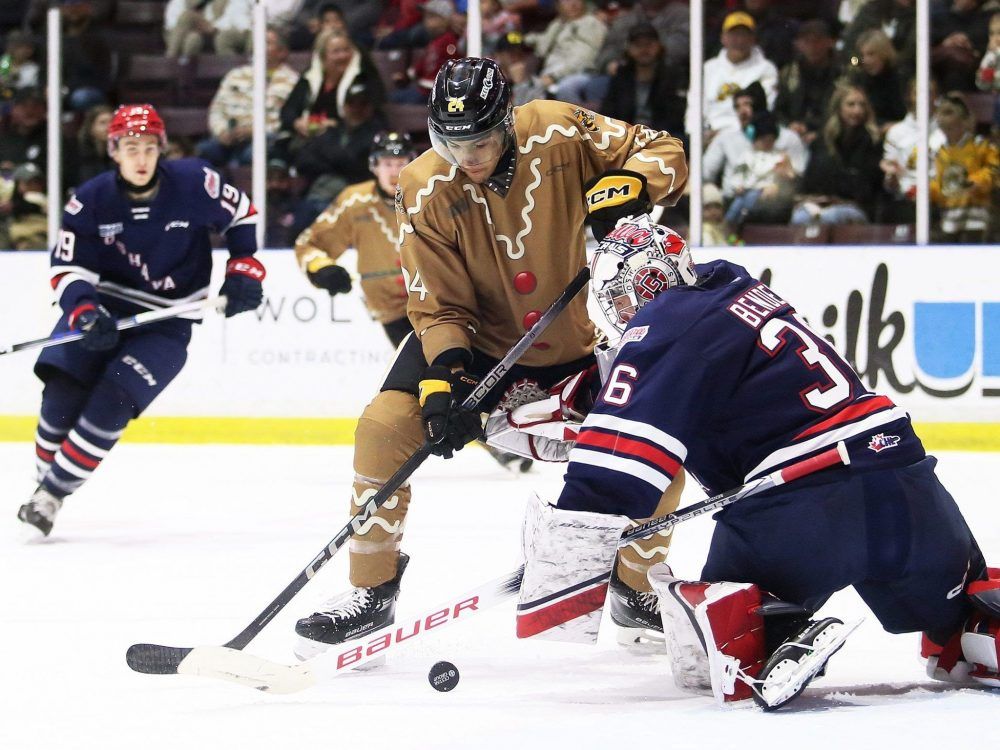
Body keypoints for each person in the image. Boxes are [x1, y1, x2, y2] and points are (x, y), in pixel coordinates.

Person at [292, 57, 689, 658]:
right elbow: (436, 305)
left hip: (583, 346)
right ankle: (370, 594)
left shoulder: (558, 127)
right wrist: (447, 380)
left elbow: (661, 148)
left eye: (479, 140)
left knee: (659, 442)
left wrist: (633, 183)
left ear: (506, 121)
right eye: (452, 142)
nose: (467, 156)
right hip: (482, 350)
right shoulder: (423, 184)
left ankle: (636, 588)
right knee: (383, 428)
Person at [515, 213, 994, 710]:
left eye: (618, 297)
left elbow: (623, 448)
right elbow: (688, 380)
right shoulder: (736, 289)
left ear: (647, 284)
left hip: (805, 504)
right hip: (906, 482)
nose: (617, 311)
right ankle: (976, 626)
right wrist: (589, 399)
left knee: (704, 642)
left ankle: (768, 629)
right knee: (963, 613)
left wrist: (572, 542)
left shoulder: (668, 319)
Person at [15, 104, 265, 539]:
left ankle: (49, 496)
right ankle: (45, 479)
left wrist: (243, 269)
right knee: (60, 396)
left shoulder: (194, 183)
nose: (141, 158)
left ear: (161, 149)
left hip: (169, 320)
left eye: (149, 147)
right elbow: (67, 269)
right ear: (113, 150)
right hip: (104, 307)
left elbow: (242, 214)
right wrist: (85, 312)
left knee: (111, 404)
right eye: (131, 148)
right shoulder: (89, 199)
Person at [295, 131, 417, 349]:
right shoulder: (355, 201)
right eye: (387, 163)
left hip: (439, 305)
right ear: (374, 166)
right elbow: (309, 243)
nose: (394, 172)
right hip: (391, 310)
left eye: (400, 163)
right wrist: (321, 268)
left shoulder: (432, 195)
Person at [196, 25, 300, 168]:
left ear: (282, 52)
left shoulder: (293, 81)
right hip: (230, 138)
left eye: (267, 43)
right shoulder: (235, 75)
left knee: (251, 154)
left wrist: (254, 131)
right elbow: (217, 109)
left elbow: (287, 120)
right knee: (204, 150)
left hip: (265, 139)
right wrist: (222, 131)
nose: (259, 46)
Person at [791, 82, 884, 226]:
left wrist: (837, 188)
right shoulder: (823, 140)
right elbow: (812, 179)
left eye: (862, 105)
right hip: (821, 203)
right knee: (799, 218)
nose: (857, 110)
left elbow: (866, 186)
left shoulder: (872, 141)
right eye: (851, 105)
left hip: (855, 206)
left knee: (829, 218)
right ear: (839, 108)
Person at [695, 11, 779, 140]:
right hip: (707, 135)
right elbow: (694, 108)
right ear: (723, 38)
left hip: (747, 135)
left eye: (744, 35)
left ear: (753, 39)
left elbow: (765, 109)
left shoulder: (766, 69)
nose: (739, 40)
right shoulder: (708, 68)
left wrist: (725, 134)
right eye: (734, 35)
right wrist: (696, 136)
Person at [929, 92, 1000, 243]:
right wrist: (927, 191)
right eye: (939, 113)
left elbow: (994, 170)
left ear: (964, 120)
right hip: (948, 218)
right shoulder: (937, 153)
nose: (942, 119)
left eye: (948, 113)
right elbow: (936, 184)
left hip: (977, 218)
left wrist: (975, 181)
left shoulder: (980, 146)